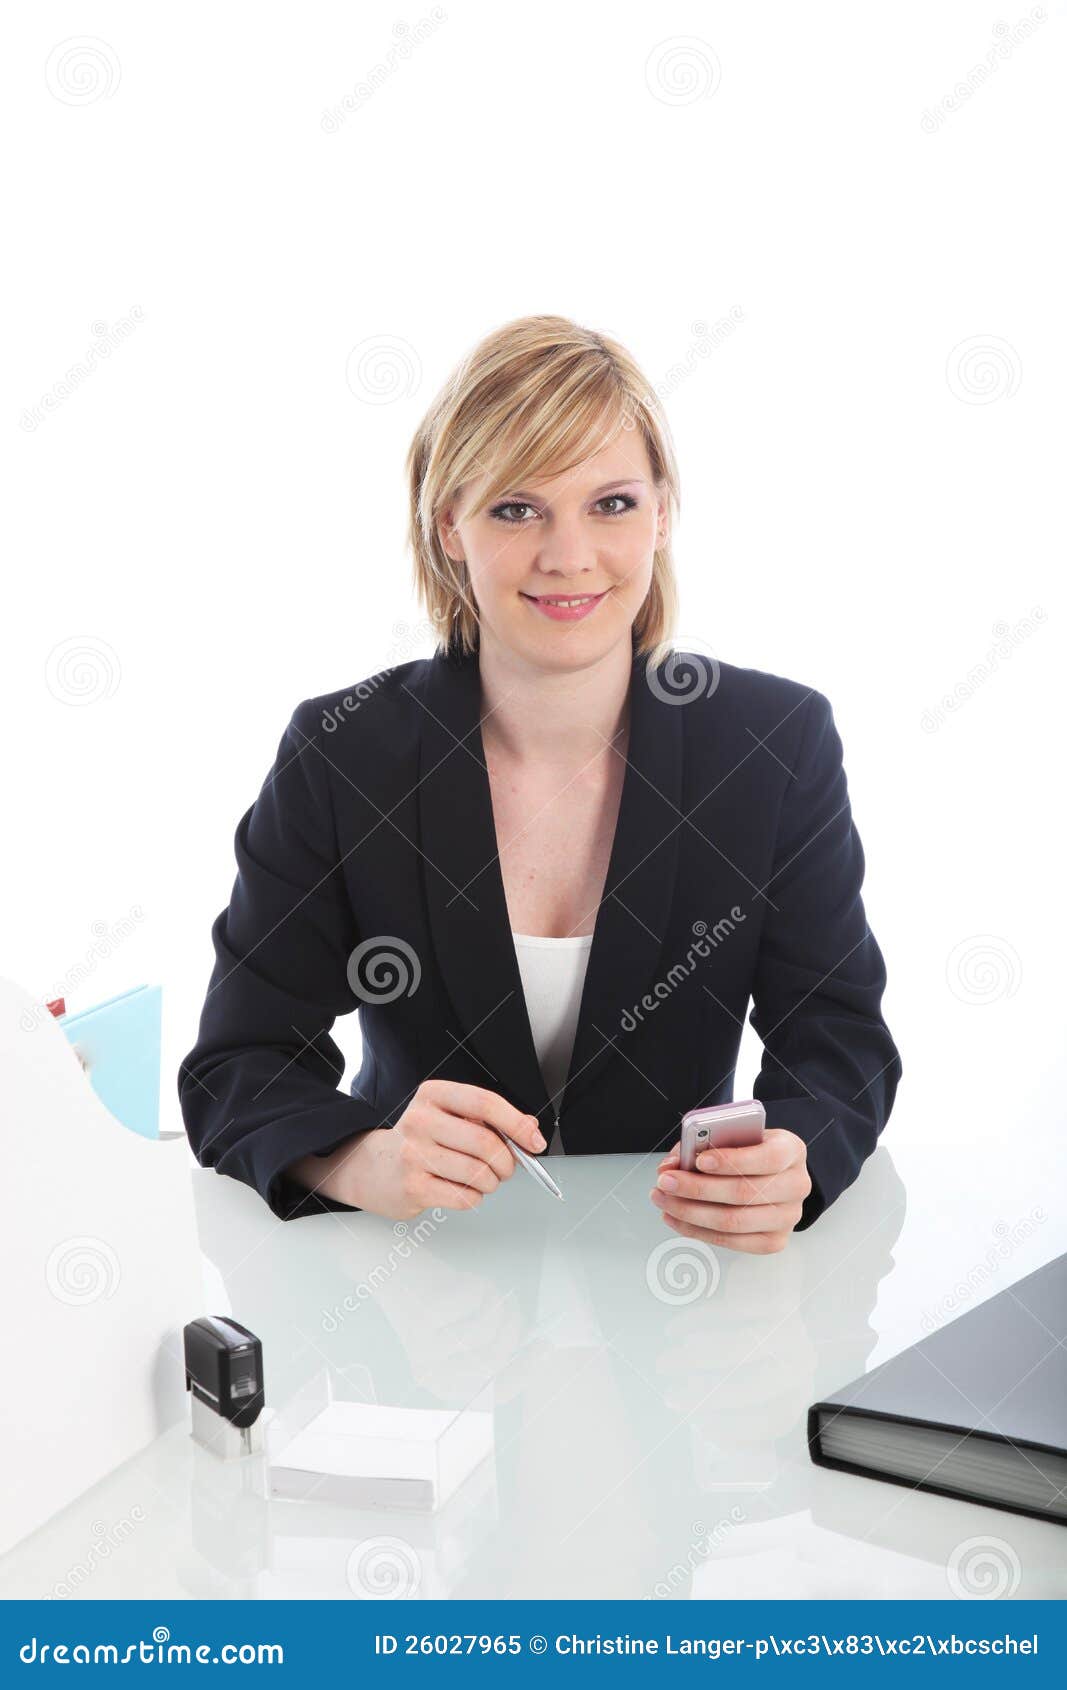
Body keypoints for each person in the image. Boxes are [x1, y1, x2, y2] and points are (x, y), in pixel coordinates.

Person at [178, 314, 902, 1253]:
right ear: (449, 527)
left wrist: (794, 1154)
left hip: (678, 1287)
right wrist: (362, 1161)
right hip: (425, 1291)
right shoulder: (342, 753)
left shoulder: (772, 742)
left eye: (610, 504)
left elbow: (837, 1039)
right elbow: (239, 1062)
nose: (569, 557)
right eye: (516, 509)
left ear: (662, 514)